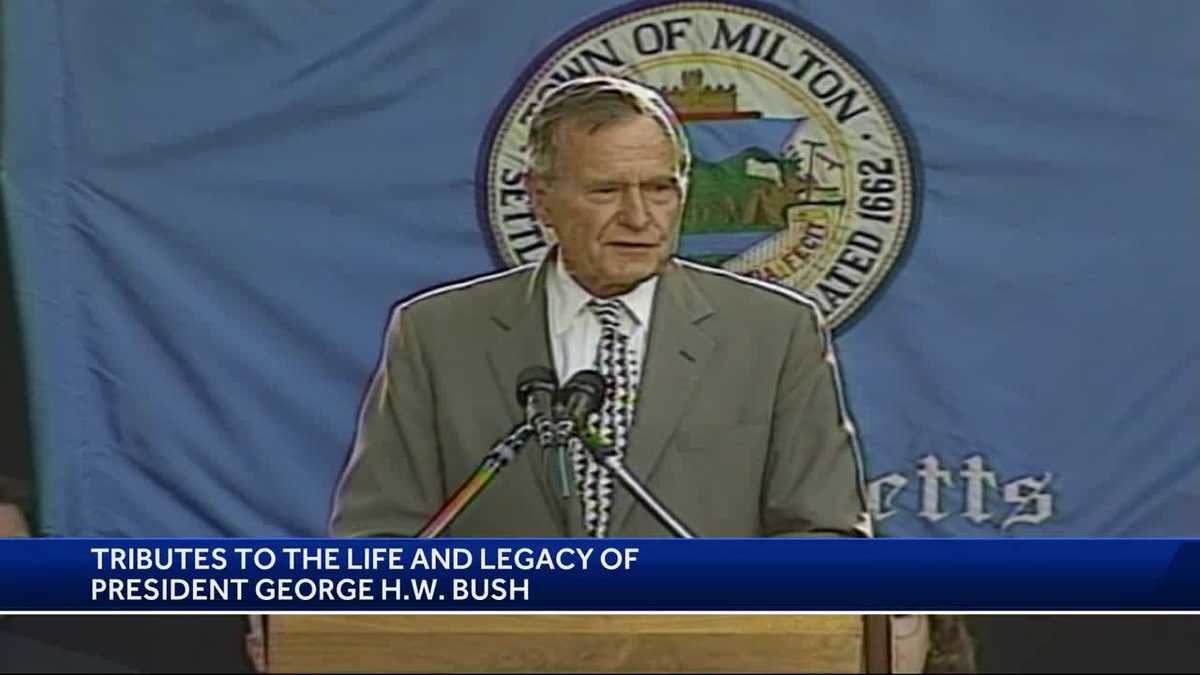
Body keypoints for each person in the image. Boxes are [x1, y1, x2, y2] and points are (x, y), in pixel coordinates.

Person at [330, 75, 869, 539]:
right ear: (541, 198)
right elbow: (380, 539)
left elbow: (824, 534)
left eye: (660, 189)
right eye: (606, 191)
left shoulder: (773, 333)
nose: (639, 217)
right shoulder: (439, 335)